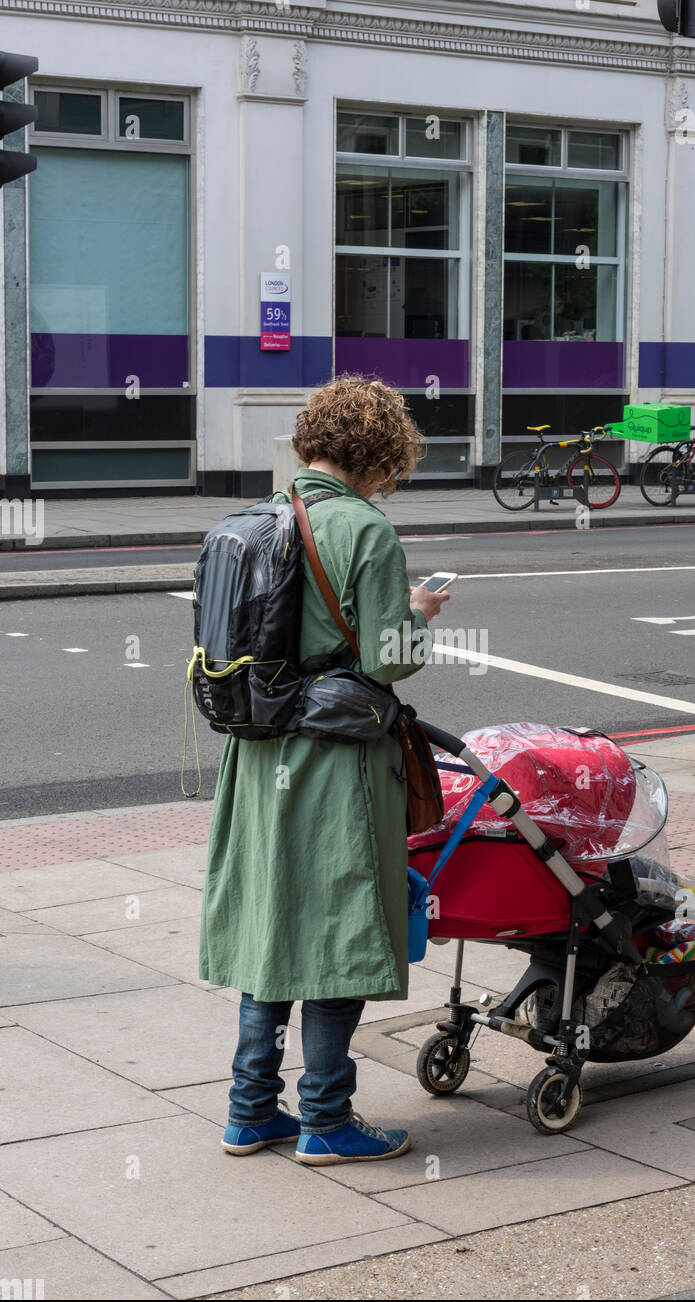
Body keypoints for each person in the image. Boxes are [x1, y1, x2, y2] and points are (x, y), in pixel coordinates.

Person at [199, 375, 450, 1164]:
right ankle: (327, 1120)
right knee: (337, 928)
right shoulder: (364, 530)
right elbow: (389, 659)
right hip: (333, 760)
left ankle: (249, 1112)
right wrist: (419, 615)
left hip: (257, 752)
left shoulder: (250, 520)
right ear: (380, 454)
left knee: (272, 926)